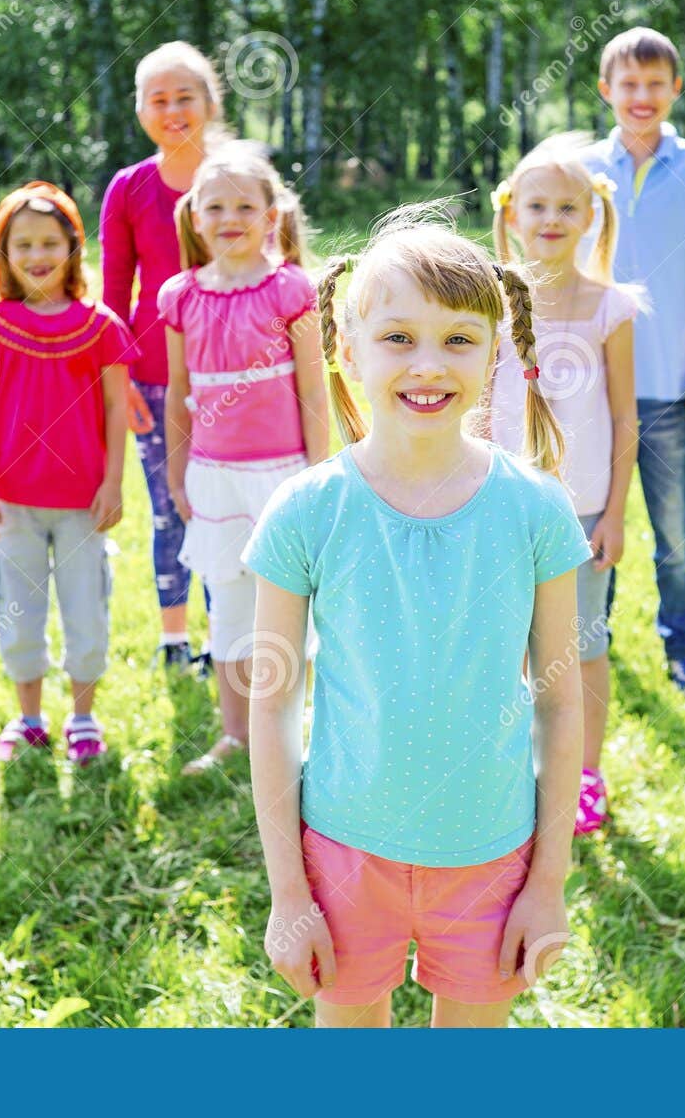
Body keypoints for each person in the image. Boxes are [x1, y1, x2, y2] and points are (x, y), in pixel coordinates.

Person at [245, 213, 589, 1026]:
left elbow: (561, 701)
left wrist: (548, 881)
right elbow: (272, 704)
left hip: (489, 852)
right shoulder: (306, 510)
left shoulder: (536, 509)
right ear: (348, 348)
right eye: (398, 337)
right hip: (342, 849)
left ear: (494, 351)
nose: (428, 365)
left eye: (458, 339)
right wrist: (288, 891)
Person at [160, 142, 328, 774]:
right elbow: (178, 393)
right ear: (194, 216)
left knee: (286, 609)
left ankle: (291, 731)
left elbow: (312, 388)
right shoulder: (180, 296)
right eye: (215, 207)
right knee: (228, 606)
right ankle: (236, 734)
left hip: (283, 477)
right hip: (214, 479)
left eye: (244, 206)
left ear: (271, 216)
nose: (230, 218)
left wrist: (317, 477)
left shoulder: (291, 290)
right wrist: (178, 473)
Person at [489, 135, 639, 836]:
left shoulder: (610, 307)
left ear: (590, 216)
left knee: (581, 646)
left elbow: (624, 415)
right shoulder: (492, 304)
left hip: (580, 511)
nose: (551, 218)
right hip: (500, 507)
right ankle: (521, 767)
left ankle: (583, 773)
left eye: (567, 207)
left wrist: (616, 513)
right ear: (512, 214)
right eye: (537, 205)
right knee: (510, 646)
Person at [582, 26, 685, 694]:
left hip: (671, 386)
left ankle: (683, 643)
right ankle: (590, 640)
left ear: (676, 88)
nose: (641, 96)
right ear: (605, 90)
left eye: (654, 84)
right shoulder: (581, 170)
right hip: (592, 390)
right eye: (628, 84)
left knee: (675, 531)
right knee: (593, 523)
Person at [0, 183, 133, 765]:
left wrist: (113, 483)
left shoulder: (100, 326)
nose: (37, 255)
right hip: (14, 502)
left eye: (50, 242)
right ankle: (29, 718)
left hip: (84, 502)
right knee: (18, 612)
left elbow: (116, 407)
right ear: (4, 252)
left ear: (73, 247)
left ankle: (83, 718)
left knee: (86, 611)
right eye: (24, 244)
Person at [100, 41, 225, 673]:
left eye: (185, 97)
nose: (173, 111)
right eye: (159, 99)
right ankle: (175, 641)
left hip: (234, 376)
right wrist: (119, 384)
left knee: (226, 506)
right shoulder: (129, 188)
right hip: (152, 379)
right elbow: (113, 295)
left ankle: (224, 638)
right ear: (141, 110)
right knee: (170, 508)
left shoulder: (236, 180)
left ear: (210, 102)